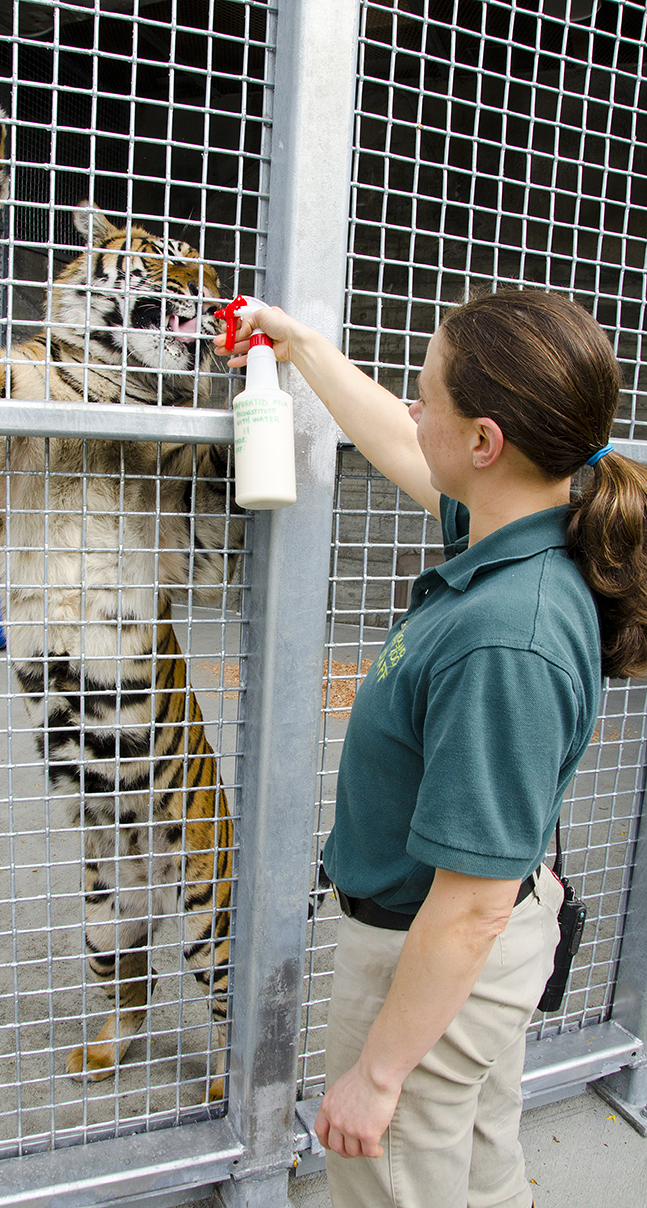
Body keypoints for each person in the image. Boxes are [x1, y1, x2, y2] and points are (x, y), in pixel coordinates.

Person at [215, 288, 647, 1208]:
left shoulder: (506, 637)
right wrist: (302, 350)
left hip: (428, 955)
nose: (413, 410)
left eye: (428, 395)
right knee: (483, 1165)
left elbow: (471, 907)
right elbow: (403, 443)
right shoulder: (520, 531)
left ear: (485, 442)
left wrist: (378, 1075)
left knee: (397, 1181)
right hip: (470, 955)